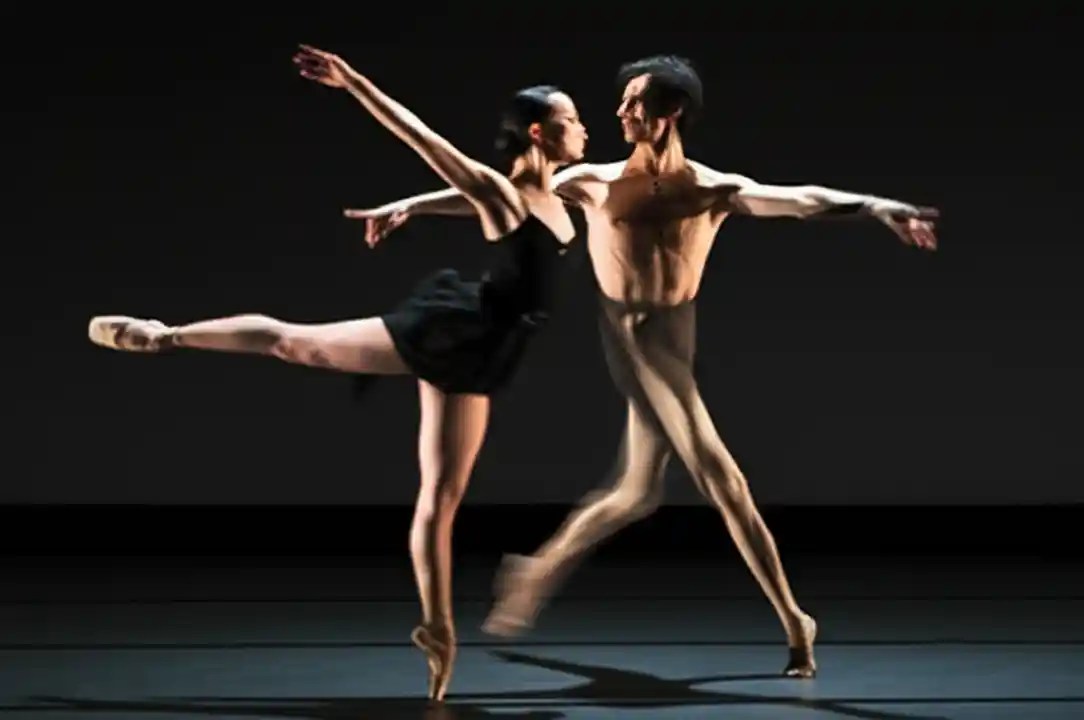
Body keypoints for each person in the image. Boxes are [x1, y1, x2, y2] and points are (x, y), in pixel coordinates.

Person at [355, 54, 938, 679]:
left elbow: (801, 200)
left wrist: (878, 207)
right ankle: (796, 620)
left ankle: (537, 569)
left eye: (634, 103)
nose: (620, 113)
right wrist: (410, 206)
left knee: (636, 491)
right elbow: (496, 197)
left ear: (670, 112)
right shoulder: (595, 183)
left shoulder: (710, 189)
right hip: (627, 341)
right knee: (722, 478)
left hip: (672, 344)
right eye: (622, 102)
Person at [84, 44, 589, 702]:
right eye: (573, 119)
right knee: (297, 344)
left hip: (483, 353)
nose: (584, 128)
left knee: (439, 502)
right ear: (538, 131)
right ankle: (163, 336)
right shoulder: (504, 194)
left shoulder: (562, 195)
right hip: (453, 329)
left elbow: (460, 199)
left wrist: (409, 205)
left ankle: (437, 629)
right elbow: (426, 141)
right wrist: (353, 83)